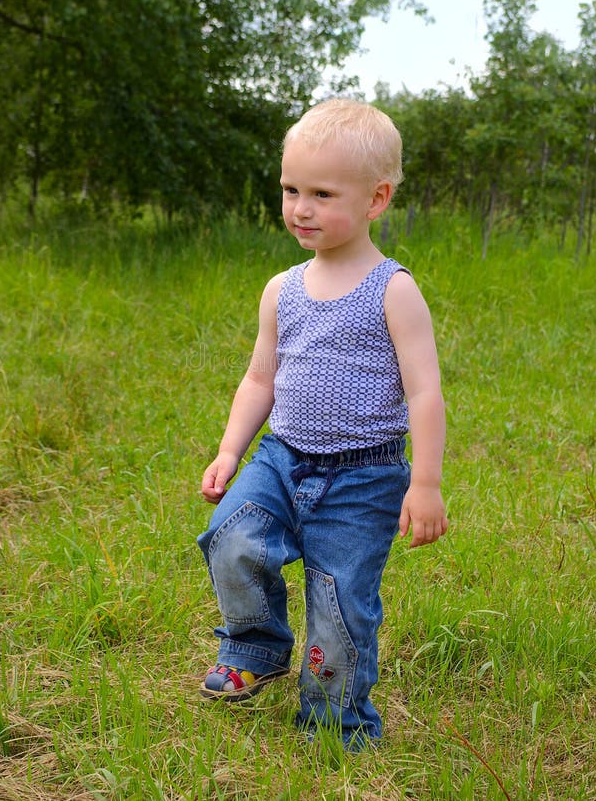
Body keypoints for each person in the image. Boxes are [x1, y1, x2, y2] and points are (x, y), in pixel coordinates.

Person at [197, 98, 447, 749]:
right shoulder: (281, 288)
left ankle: (334, 724)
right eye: (290, 190)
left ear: (376, 198)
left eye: (321, 193)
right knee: (230, 537)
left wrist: (424, 483)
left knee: (338, 607)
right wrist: (231, 451)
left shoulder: (393, 289)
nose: (300, 208)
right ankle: (254, 645)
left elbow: (424, 393)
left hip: (362, 477)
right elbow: (259, 378)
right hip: (281, 459)